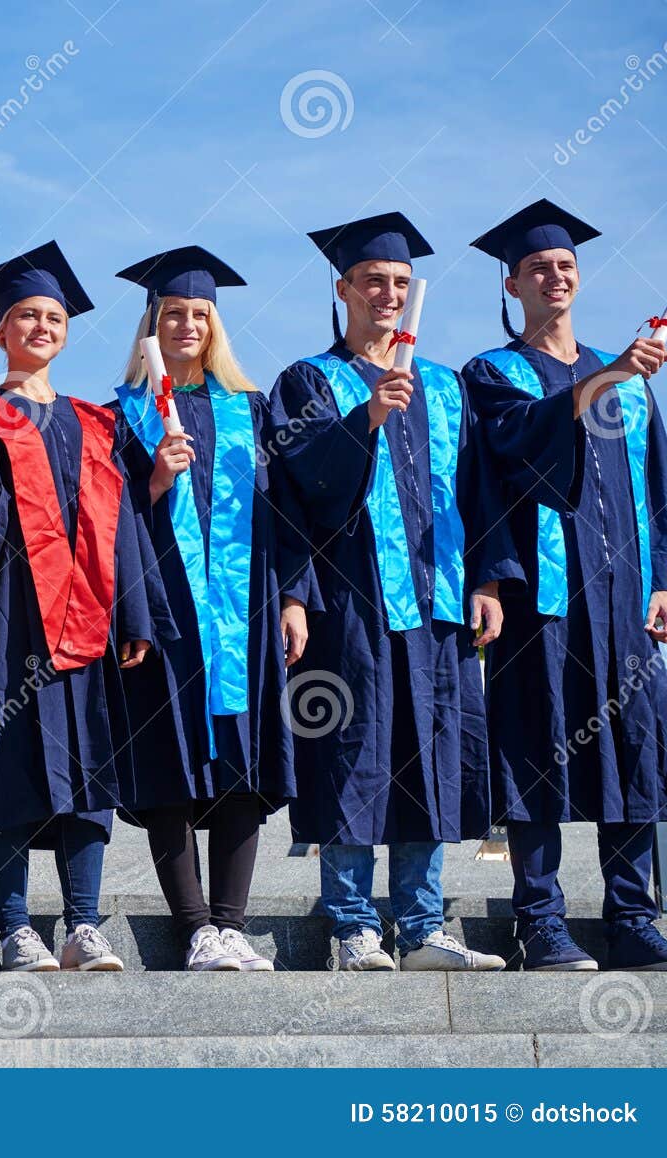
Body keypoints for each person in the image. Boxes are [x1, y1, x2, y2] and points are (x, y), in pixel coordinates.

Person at [270, 211, 512, 972]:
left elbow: (479, 492)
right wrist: (366, 417)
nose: (387, 292)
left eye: (400, 283)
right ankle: (350, 925)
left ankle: (420, 922)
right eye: (372, 280)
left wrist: (488, 580)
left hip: (437, 609)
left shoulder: (443, 385)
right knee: (350, 753)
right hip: (350, 604)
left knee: (431, 758)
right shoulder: (309, 379)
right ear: (342, 288)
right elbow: (293, 485)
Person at [460, 199, 667, 971]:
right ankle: (540, 919)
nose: (555, 275)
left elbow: (658, 488)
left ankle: (632, 915)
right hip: (540, 599)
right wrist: (610, 374)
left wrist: (666, 580)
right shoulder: (494, 372)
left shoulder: (634, 381)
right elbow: (517, 446)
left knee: (636, 745)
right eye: (539, 267)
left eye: (566, 266)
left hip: (626, 601)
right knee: (535, 745)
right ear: (512, 284)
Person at [0, 242, 159, 972]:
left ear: (66, 333)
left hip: (87, 623)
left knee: (88, 763)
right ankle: (14, 926)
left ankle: (81, 923)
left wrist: (135, 614)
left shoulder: (95, 423)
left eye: (53, 317)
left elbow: (124, 521)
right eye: (26, 316)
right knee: (4, 759)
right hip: (4, 620)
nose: (41, 326)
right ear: (0, 331)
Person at [110, 246, 304, 972]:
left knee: (244, 760)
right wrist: (154, 482)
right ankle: (195, 928)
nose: (187, 324)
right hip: (162, 615)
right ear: (151, 326)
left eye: (200, 315)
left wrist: (293, 600)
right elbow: (105, 523)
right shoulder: (118, 417)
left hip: (245, 616)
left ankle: (231, 926)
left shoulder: (253, 410)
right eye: (173, 315)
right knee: (170, 762)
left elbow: (286, 515)